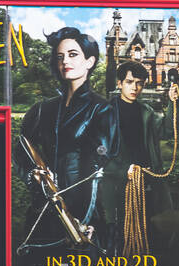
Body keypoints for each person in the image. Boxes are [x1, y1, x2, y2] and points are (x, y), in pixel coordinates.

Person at [11, 27, 118, 249]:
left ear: (89, 62)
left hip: (86, 219)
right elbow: (21, 150)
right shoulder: (41, 110)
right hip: (44, 211)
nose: (65, 62)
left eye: (72, 54)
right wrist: (34, 174)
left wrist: (96, 219)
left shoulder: (102, 110)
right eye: (60, 57)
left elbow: (108, 170)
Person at [100, 61, 178, 254]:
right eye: (129, 82)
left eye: (140, 83)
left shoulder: (146, 112)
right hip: (116, 182)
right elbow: (98, 151)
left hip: (143, 180)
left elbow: (167, 131)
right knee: (118, 232)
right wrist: (121, 168)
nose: (135, 87)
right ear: (119, 83)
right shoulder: (105, 113)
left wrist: (172, 103)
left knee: (144, 228)